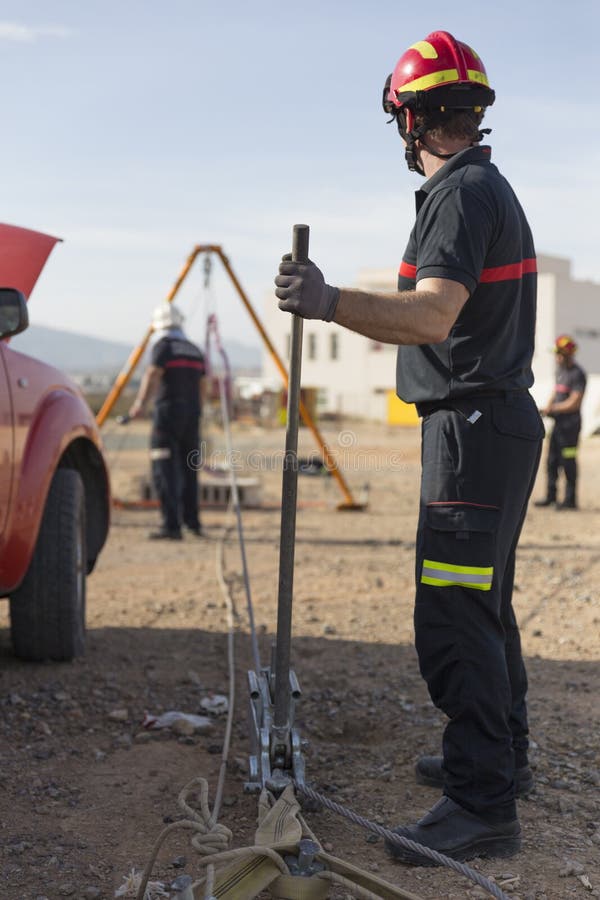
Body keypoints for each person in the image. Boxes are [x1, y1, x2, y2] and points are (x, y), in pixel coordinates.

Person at [275, 31, 544, 864]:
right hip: (489, 426)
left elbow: (432, 315)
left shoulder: (461, 195)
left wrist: (326, 301)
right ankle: (501, 759)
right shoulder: (480, 188)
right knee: (485, 603)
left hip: (472, 432)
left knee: (455, 614)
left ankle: (482, 805)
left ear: (409, 121)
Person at [129, 302, 206, 540]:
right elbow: (204, 385)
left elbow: (153, 374)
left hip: (168, 413)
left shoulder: (163, 347)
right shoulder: (194, 349)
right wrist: (198, 411)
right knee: (189, 469)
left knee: (164, 468)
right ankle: (192, 522)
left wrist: (140, 404)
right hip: (192, 415)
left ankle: (171, 526)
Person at [535, 335, 586, 510]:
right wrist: (548, 407)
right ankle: (551, 497)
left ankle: (570, 500)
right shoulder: (560, 372)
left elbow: (575, 402)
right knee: (551, 461)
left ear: (568, 354)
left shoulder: (578, 374)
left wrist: (553, 409)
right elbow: (555, 394)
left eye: (560, 354)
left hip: (570, 426)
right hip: (558, 425)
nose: (557, 357)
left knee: (568, 462)